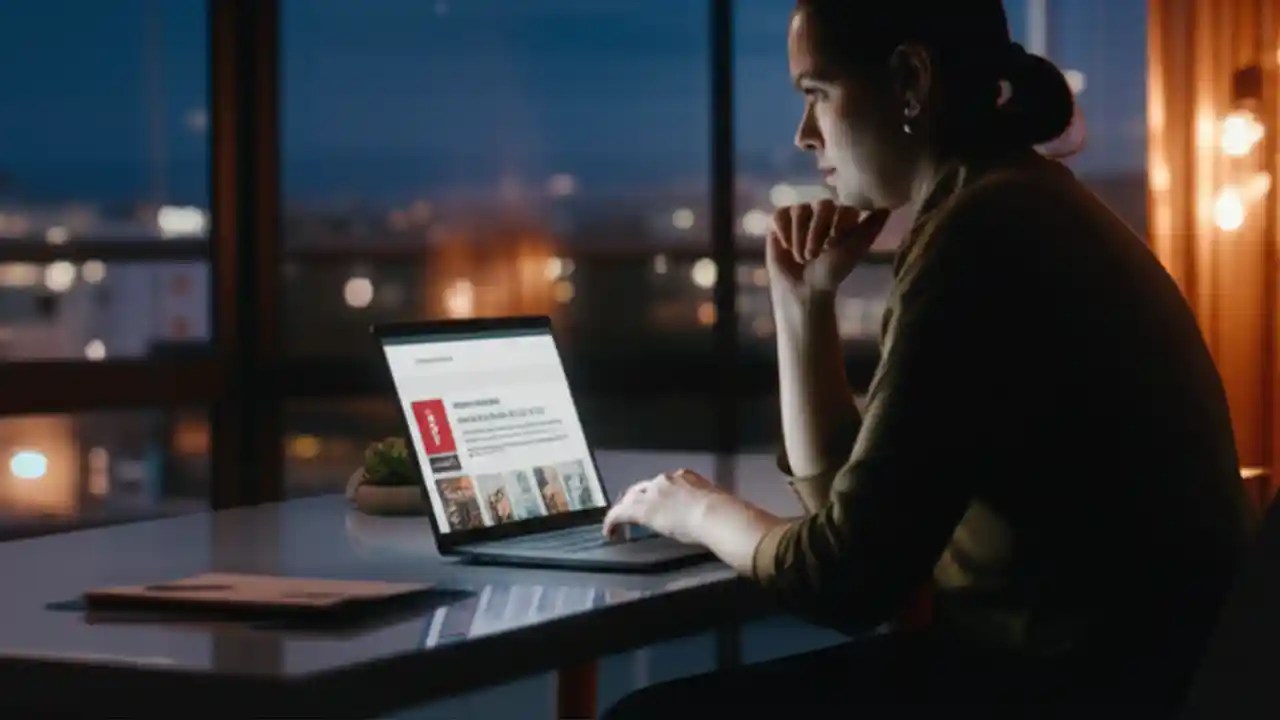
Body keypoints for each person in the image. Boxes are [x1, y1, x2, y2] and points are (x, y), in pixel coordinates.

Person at [602, 1, 1254, 716]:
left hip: (1063, 689)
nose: (804, 133)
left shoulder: (981, 237)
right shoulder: (1013, 202)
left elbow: (847, 581)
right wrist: (802, 306)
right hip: (1129, 680)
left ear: (911, 78)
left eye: (816, 94)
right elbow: (859, 521)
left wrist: (695, 510)